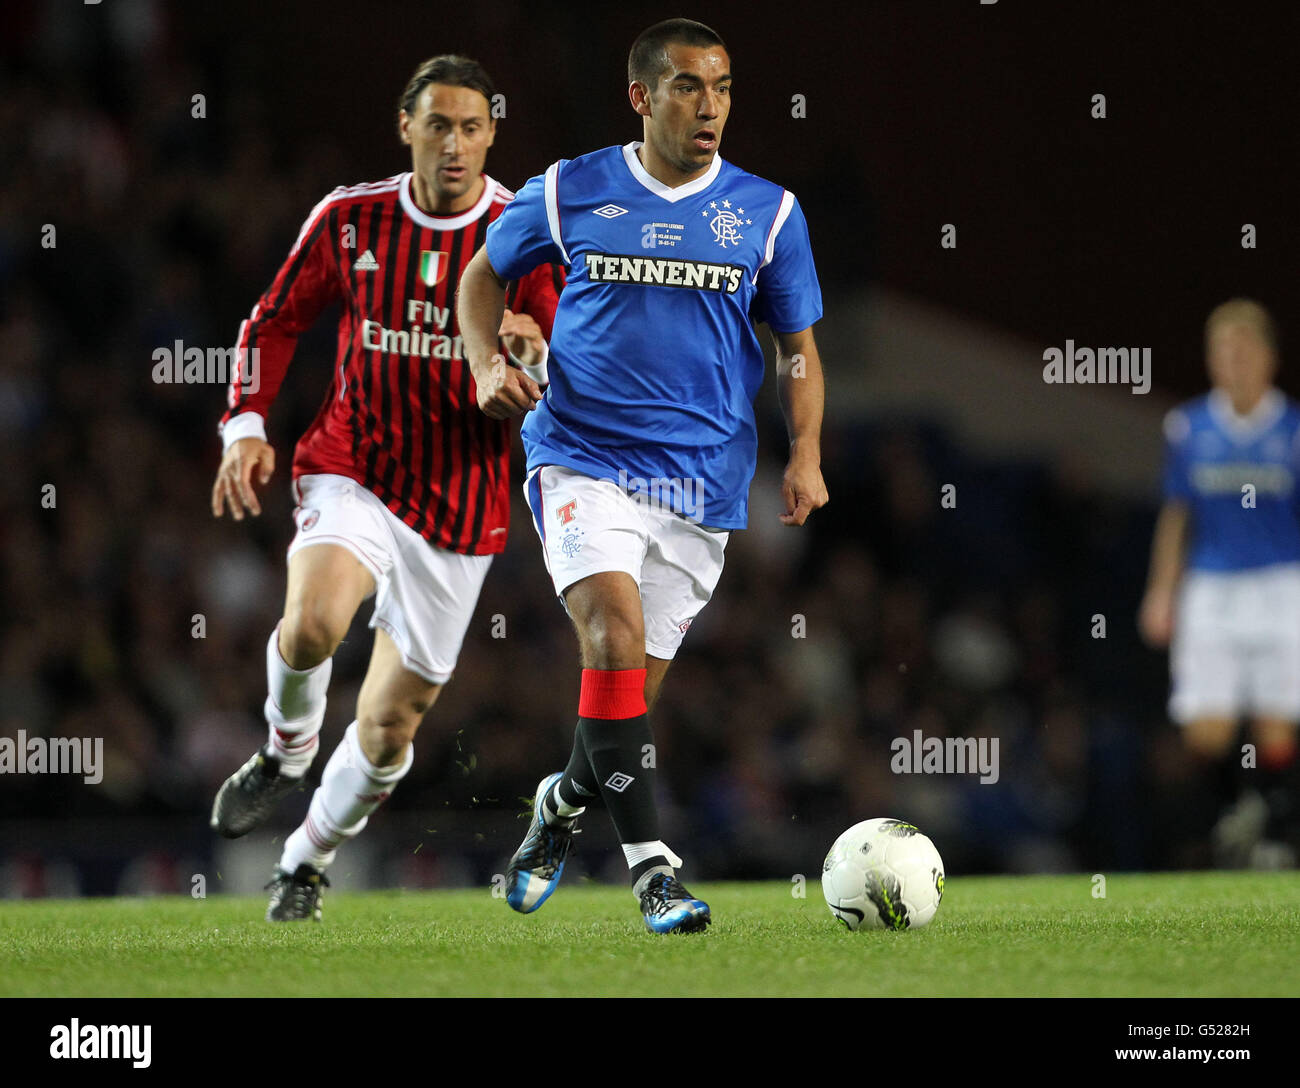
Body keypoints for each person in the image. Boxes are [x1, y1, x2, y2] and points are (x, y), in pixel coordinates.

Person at [457, 18, 828, 932]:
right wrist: (482, 362)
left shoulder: (769, 213)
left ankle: (560, 808)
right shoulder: (569, 190)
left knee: (623, 698)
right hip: (581, 456)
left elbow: (798, 349)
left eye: (725, 88)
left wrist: (808, 452)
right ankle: (655, 872)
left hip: (701, 485)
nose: (712, 108)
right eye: (690, 88)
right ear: (642, 95)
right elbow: (481, 278)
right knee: (613, 639)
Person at [209, 55, 562, 920]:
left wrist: (529, 358)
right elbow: (275, 317)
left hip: (460, 510)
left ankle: (304, 858)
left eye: (472, 127)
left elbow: (557, 354)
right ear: (405, 127)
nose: (455, 144)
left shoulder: (522, 235)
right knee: (312, 625)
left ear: (491, 135)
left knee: (387, 729)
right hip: (352, 469)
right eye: (438, 124)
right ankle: (285, 751)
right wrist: (246, 424)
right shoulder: (351, 217)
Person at [1140, 298, 1300, 867]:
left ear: (1269, 359)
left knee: (1275, 727)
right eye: (1222, 352)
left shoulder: (1292, 430)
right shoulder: (1188, 427)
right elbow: (1176, 514)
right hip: (1211, 587)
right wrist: (1161, 592)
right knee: (1204, 732)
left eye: (1244, 351)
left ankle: (1272, 830)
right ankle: (1240, 808)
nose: (1233, 363)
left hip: (1281, 585)